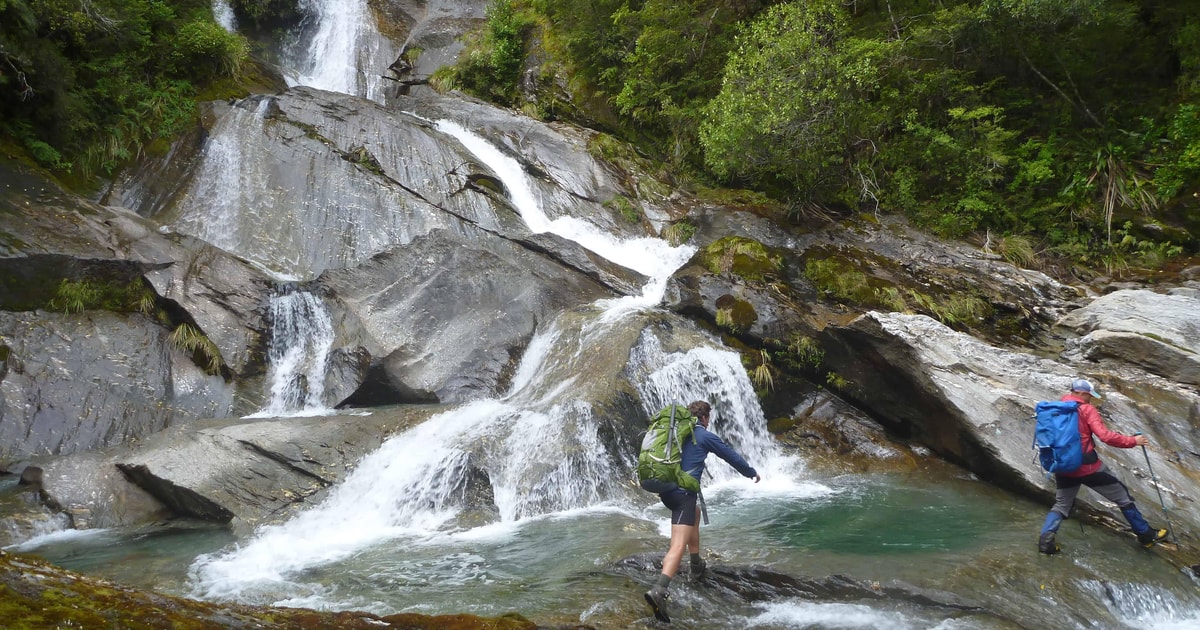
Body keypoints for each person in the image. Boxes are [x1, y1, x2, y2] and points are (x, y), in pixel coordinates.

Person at [644, 400, 760, 623]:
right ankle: (660, 589)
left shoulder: (676, 433)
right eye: (708, 418)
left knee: (695, 514)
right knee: (678, 544)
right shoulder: (704, 435)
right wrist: (751, 472)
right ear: (705, 418)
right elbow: (730, 456)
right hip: (683, 496)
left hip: (667, 491)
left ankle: (696, 565)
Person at [1038, 378, 1169, 554]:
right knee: (1123, 497)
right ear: (1083, 394)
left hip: (1063, 464)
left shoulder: (1056, 408)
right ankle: (1146, 535)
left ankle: (1046, 543)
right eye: (1090, 396)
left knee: (1061, 504)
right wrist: (1133, 441)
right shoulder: (1086, 409)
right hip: (1088, 467)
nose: (1091, 399)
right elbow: (1105, 436)